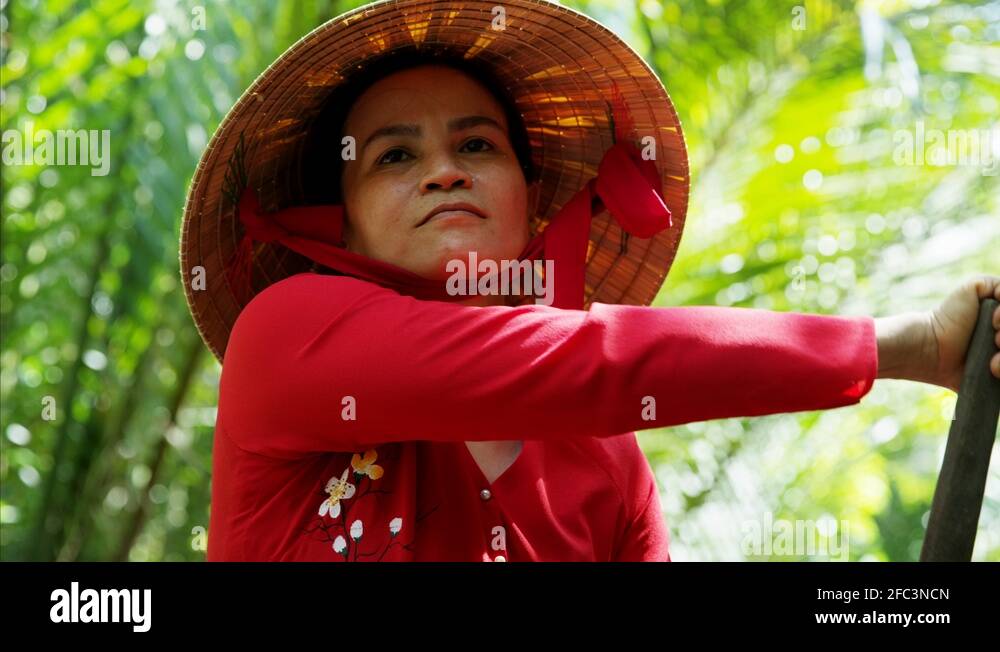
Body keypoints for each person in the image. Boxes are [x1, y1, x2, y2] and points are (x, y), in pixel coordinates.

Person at [179, 1, 1000, 561]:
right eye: (394, 156)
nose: (442, 173)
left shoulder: (606, 461)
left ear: (530, 202)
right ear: (341, 221)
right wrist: (913, 345)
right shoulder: (285, 334)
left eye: (477, 146)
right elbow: (598, 362)